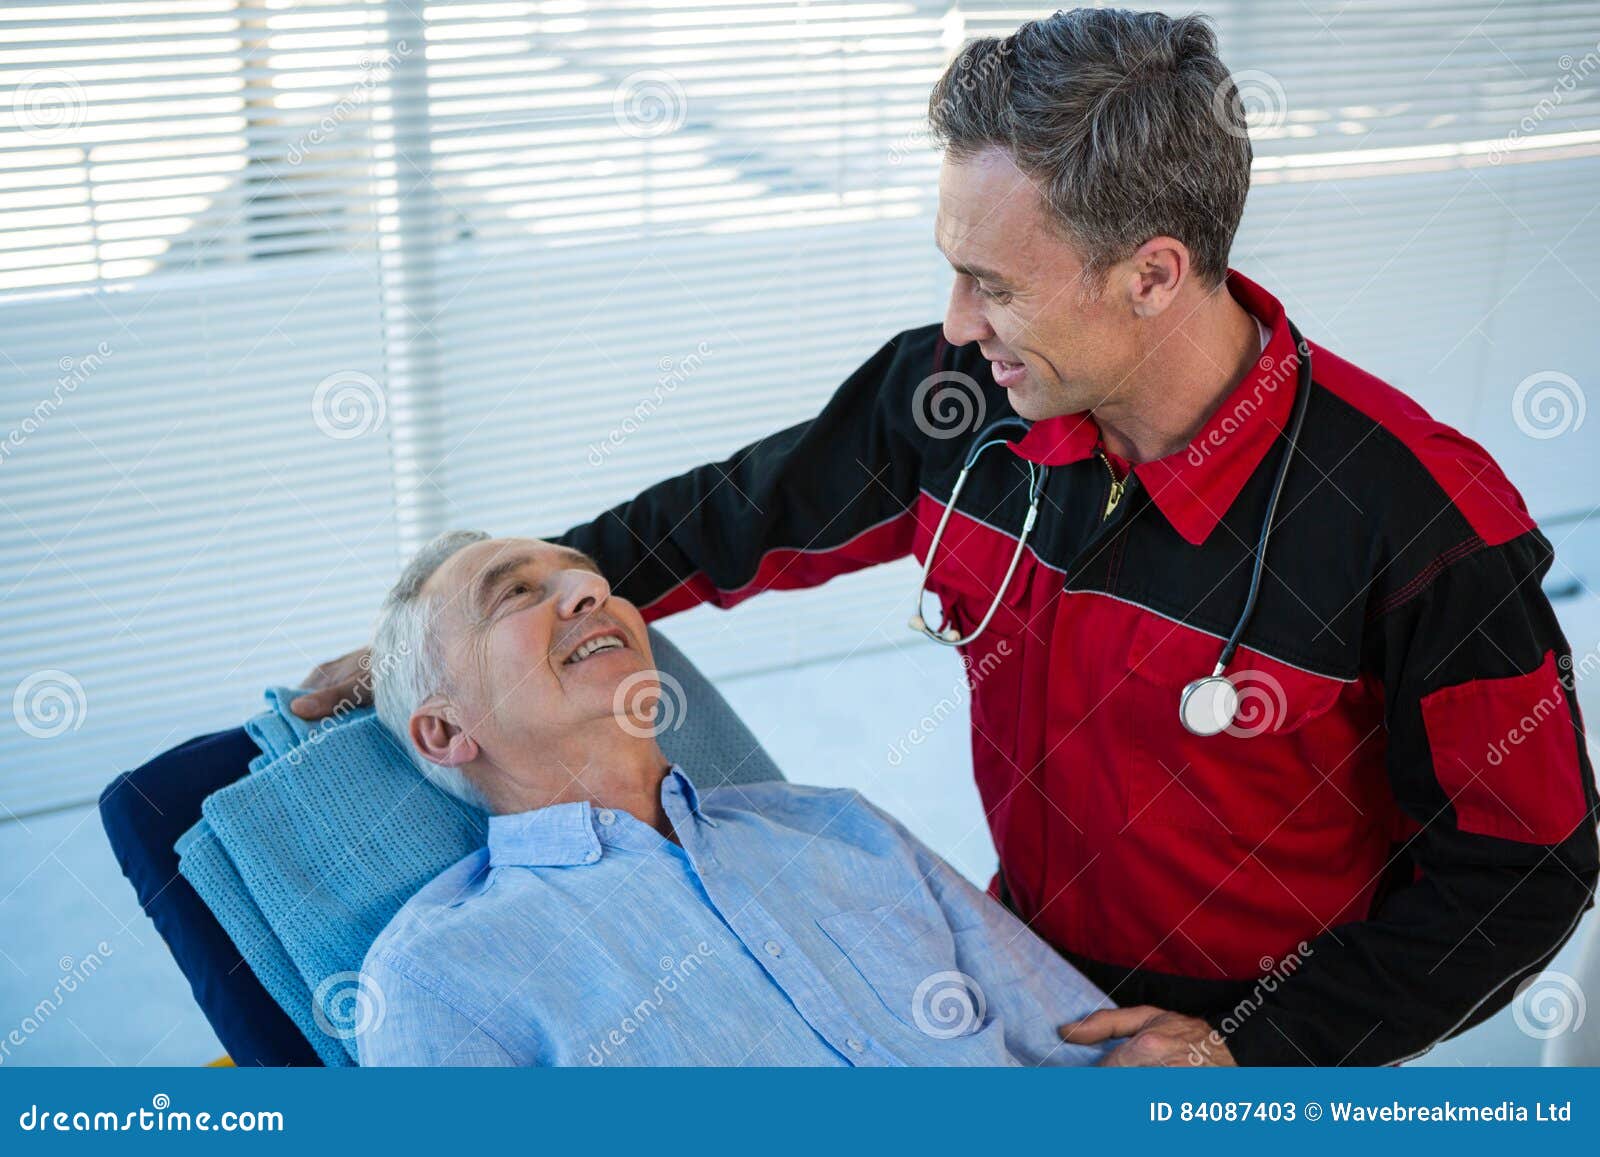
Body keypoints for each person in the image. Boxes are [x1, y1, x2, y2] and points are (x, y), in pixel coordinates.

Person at [302, 9, 1598, 1067]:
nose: (958, 322)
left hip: (1241, 1031)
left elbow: (1528, 871)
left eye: (995, 282)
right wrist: (453, 640)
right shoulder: (959, 400)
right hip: (1012, 963)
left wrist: (1259, 1050)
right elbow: (733, 518)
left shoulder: (1424, 523)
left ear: (1150, 274)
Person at [355, 531, 1113, 1067]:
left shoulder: (839, 824)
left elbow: (1099, 1048)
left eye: (589, 578)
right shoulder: (438, 976)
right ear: (445, 729)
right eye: (516, 592)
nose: (593, 591)